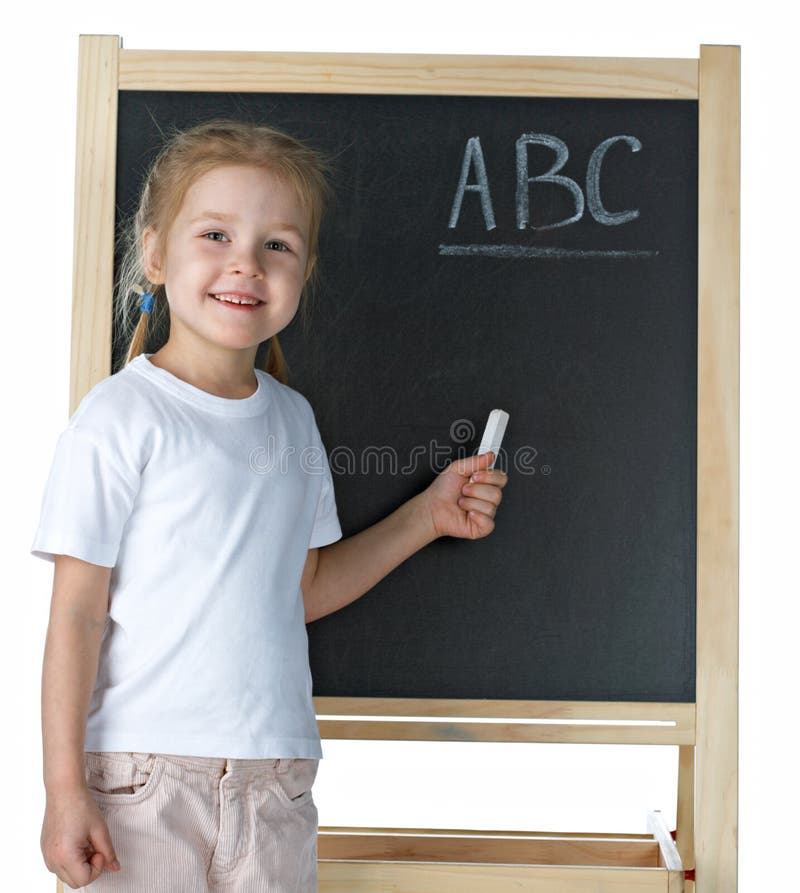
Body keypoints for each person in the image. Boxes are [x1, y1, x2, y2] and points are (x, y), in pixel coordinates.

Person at [33, 119, 508, 892]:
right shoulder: (121, 416)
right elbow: (76, 615)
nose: (245, 263)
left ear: (304, 271)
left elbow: (303, 586)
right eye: (215, 234)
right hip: (142, 781)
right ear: (155, 253)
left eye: (276, 245)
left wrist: (427, 516)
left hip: (275, 782)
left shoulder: (292, 419)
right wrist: (63, 790)